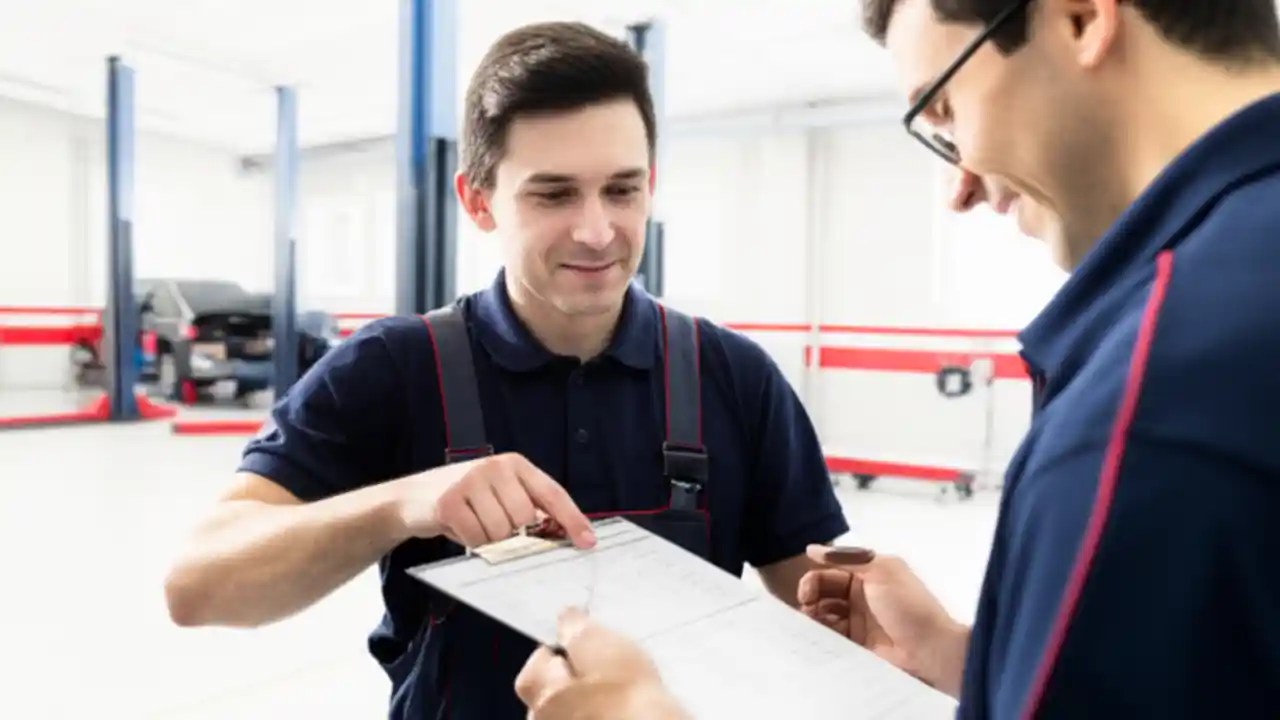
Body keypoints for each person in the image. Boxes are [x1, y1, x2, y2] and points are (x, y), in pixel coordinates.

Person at [514, 0, 1280, 717]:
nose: (959, 186)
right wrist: (968, 657)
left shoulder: (1151, 403)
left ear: (1080, 17)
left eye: (944, 109)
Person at [161, 20, 850, 720]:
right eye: (553, 195)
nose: (596, 231)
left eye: (622, 190)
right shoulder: (389, 370)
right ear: (478, 200)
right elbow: (199, 585)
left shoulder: (734, 378)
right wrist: (405, 502)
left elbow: (824, 618)